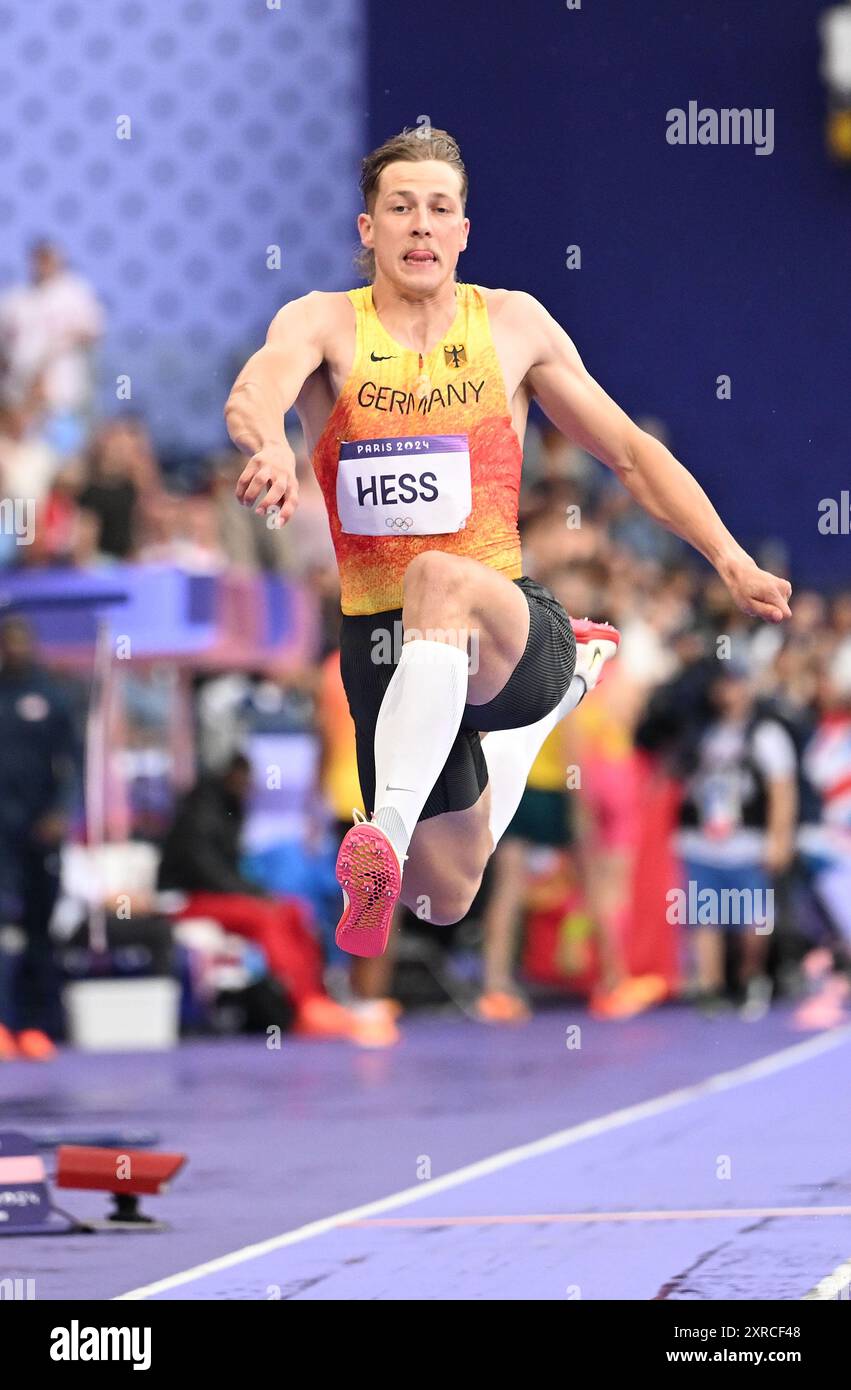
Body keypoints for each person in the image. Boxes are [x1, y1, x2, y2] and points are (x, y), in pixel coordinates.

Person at [223, 127, 792, 961]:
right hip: (381, 645)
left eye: (439, 210)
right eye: (400, 208)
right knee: (443, 897)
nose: (420, 226)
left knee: (437, 576)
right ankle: (533, 729)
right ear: (366, 230)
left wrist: (728, 556)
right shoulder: (322, 326)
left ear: (463, 231)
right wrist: (268, 443)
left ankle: (381, 832)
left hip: (505, 630)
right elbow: (256, 386)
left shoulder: (513, 325)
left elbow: (630, 455)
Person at [157, 753, 372, 1041]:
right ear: (231, 775)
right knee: (266, 917)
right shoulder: (201, 811)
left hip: (217, 895)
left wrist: (257, 893)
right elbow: (204, 869)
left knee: (294, 911)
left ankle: (318, 998)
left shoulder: (232, 807)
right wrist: (253, 895)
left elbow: (226, 869)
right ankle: (300, 1005)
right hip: (185, 900)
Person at [0, 617, 78, 1061]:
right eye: (6, 642)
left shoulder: (51, 695)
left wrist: (61, 814)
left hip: (39, 835)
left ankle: (38, 1025)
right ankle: (4, 1023)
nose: (14, 648)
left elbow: (72, 764)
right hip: (2, 835)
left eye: (20, 640)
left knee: (39, 931)